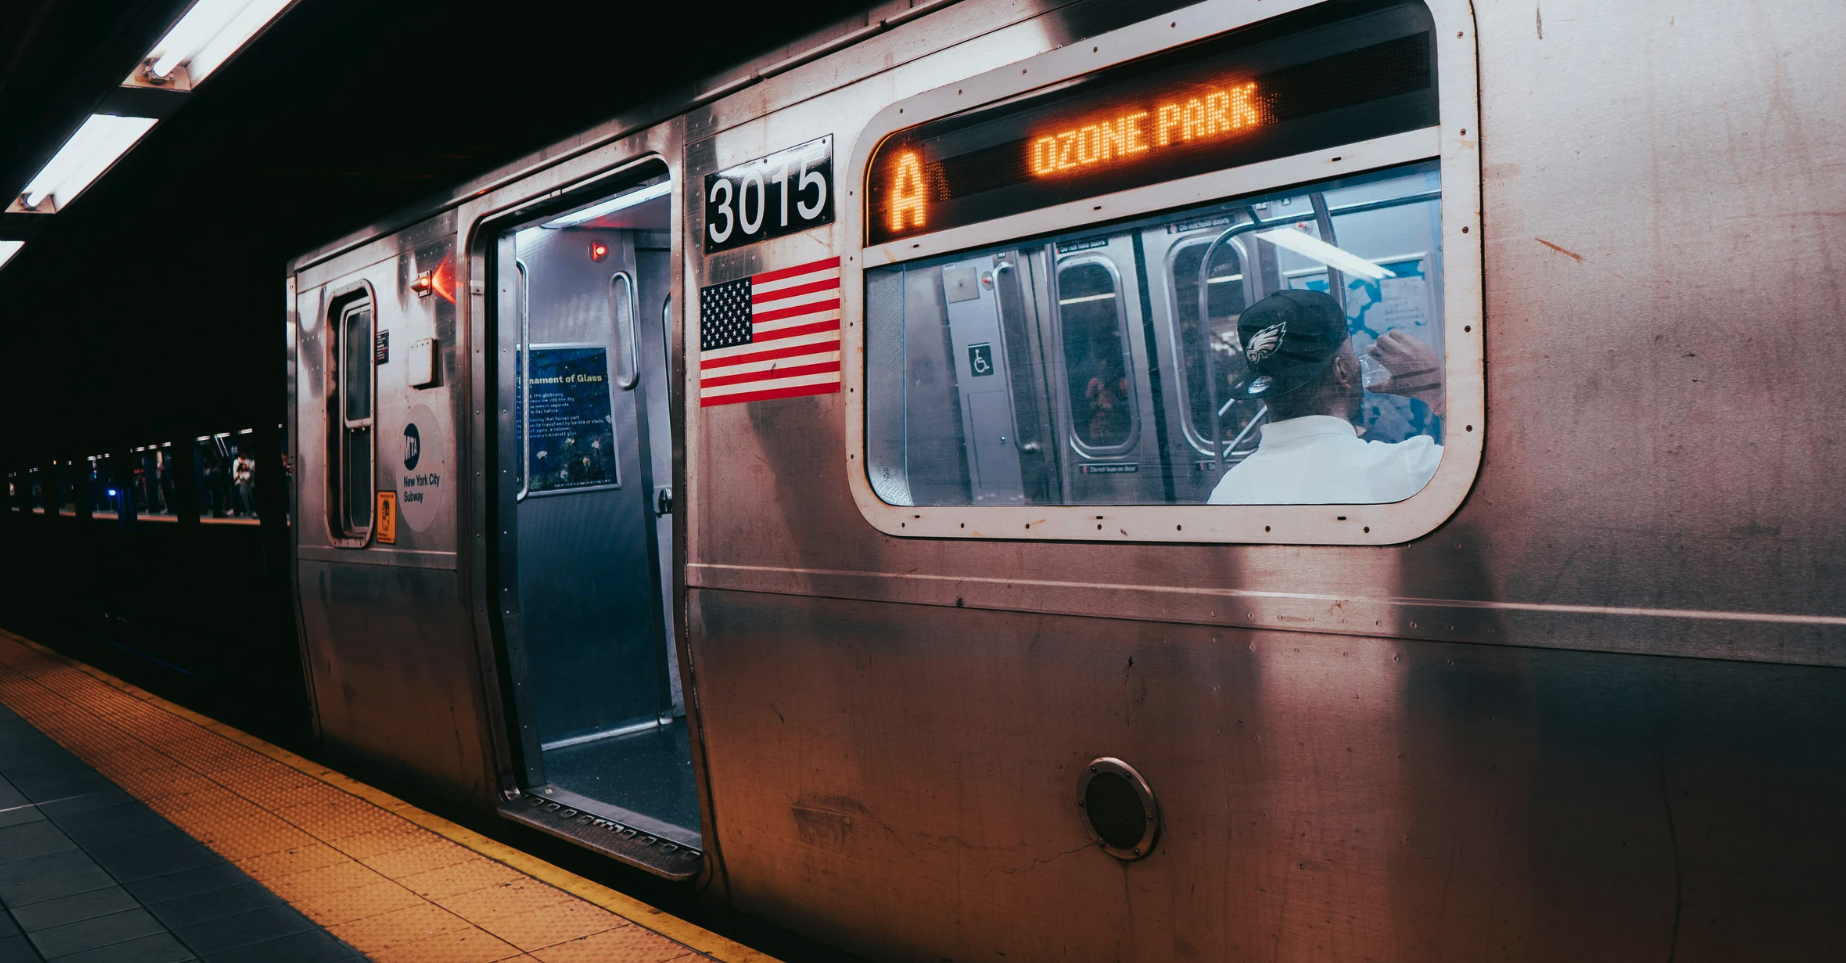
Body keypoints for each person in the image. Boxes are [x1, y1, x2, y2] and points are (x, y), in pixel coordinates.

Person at [1207, 289, 1445, 505]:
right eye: (1353, 354)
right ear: (1341, 371)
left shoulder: (1227, 492)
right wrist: (1440, 393)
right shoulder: (1412, 469)